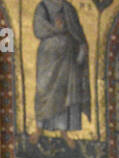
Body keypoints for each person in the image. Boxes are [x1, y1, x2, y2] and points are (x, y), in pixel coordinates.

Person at [33, 0, 90, 137]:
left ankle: (63, 130)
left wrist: (82, 44)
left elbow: (78, 31)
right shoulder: (43, 7)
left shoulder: (69, 8)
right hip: (49, 58)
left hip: (68, 57)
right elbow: (38, 28)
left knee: (65, 92)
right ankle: (40, 128)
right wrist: (55, 28)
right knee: (44, 89)